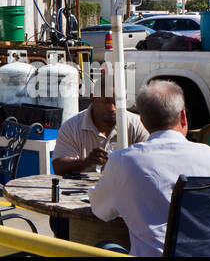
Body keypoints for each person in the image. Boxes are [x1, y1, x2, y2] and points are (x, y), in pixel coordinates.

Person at [89, 80, 210, 256]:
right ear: (183, 117)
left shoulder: (123, 162)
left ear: (143, 122)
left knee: (104, 247)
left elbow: (100, 210)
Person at [50, 90, 151, 240]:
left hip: (126, 200)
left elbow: (151, 159)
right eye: (106, 101)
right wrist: (86, 162)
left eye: (117, 101)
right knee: (60, 220)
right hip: (82, 199)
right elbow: (58, 165)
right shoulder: (72, 126)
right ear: (93, 98)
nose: (113, 107)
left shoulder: (136, 124)